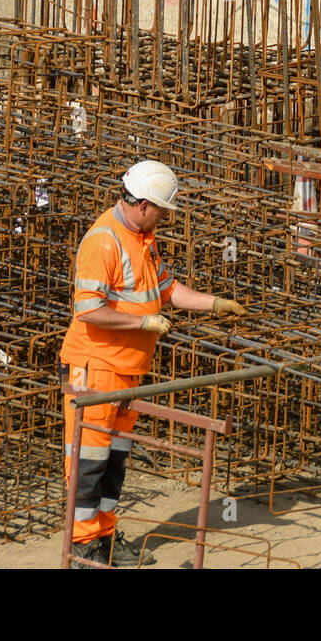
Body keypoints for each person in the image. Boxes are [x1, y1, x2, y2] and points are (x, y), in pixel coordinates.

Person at [60, 159, 247, 567]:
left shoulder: (142, 238)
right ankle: (80, 546)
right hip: (94, 367)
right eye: (163, 209)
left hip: (127, 369)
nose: (166, 217)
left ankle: (104, 539)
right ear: (143, 204)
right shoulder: (103, 241)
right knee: (88, 462)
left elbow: (167, 289)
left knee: (114, 461)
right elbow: (88, 310)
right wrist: (141, 321)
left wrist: (213, 304)